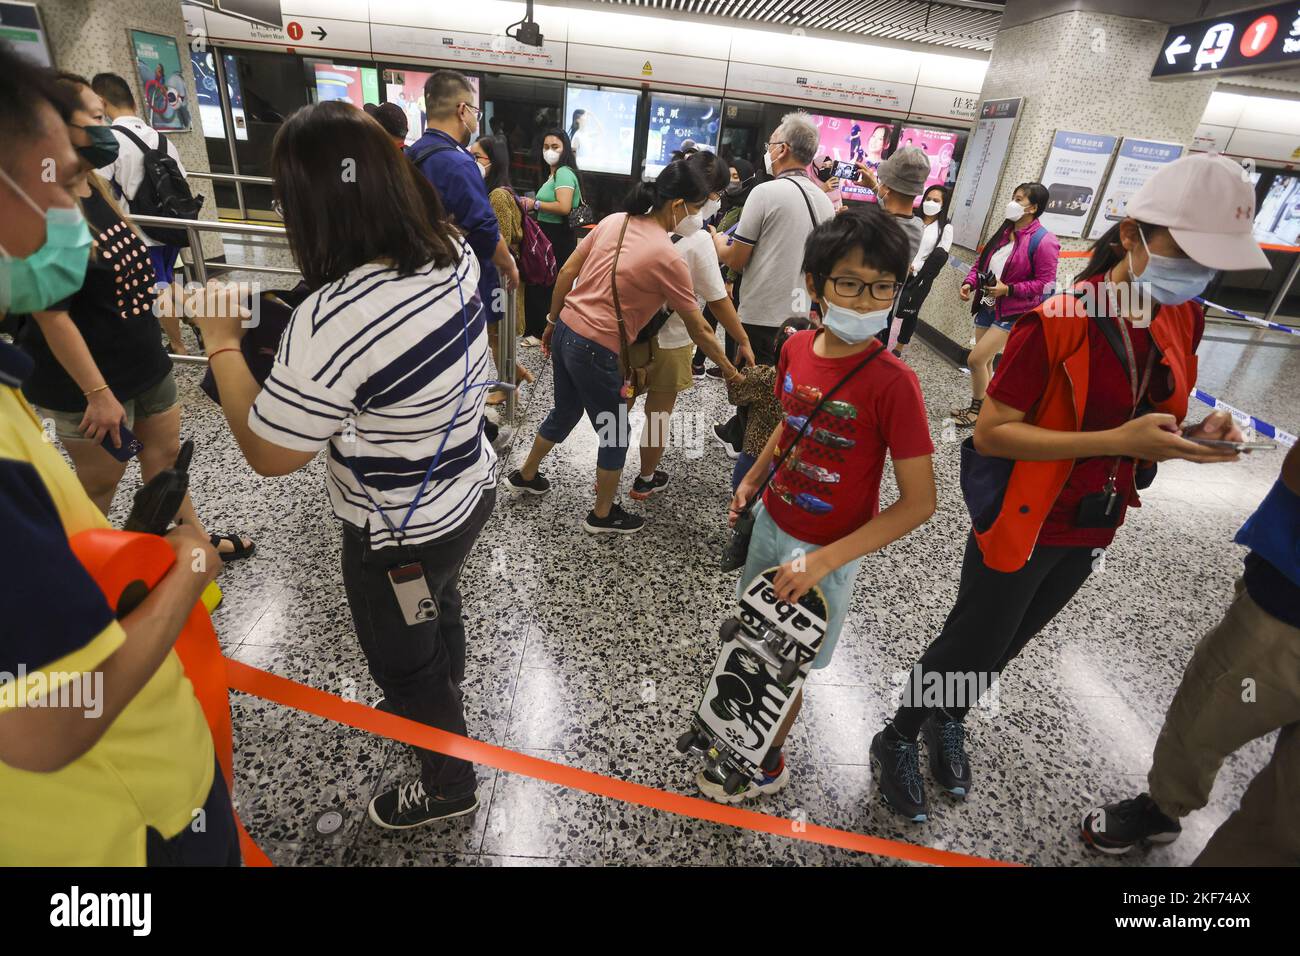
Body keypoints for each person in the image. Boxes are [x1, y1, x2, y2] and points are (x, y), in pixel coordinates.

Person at [869, 153, 1270, 824]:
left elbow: (1152, 416)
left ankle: (951, 714)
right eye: (1188, 251)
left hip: (1096, 518)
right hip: (1027, 514)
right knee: (973, 638)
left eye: (1213, 259)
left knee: (1010, 640)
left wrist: (1197, 434)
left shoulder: (1180, 317)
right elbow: (993, 433)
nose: (1199, 272)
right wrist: (1119, 442)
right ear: (1136, 232)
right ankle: (899, 734)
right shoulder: (1060, 319)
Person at [194, 101, 497, 829]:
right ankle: (442, 689)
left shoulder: (330, 316)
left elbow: (270, 452)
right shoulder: (451, 250)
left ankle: (449, 778)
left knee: (402, 661)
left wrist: (220, 343)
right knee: (436, 602)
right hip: (466, 491)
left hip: (394, 530)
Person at [0, 43, 233, 866]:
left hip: (140, 359)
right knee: (92, 497)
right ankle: (134, 570)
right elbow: (47, 719)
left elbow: (138, 269)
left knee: (166, 468)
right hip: (114, 839)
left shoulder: (101, 192)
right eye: (58, 171)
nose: (78, 179)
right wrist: (184, 589)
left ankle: (167, 548)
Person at [709, 207, 936, 802]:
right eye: (850, 285)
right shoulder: (797, 349)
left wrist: (825, 561)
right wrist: (755, 477)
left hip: (826, 550)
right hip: (772, 523)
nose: (866, 302)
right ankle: (740, 731)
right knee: (754, 639)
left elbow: (919, 503)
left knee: (790, 659)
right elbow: (791, 422)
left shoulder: (895, 383)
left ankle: (769, 757)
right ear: (815, 283)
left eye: (883, 287)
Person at [16, 74, 254, 562]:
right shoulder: (44, 203)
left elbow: (130, 276)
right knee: (100, 484)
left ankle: (194, 550)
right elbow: (50, 314)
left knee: (165, 461)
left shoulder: (94, 185)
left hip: (143, 356)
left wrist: (190, 306)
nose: (109, 129)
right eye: (97, 119)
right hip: (87, 378)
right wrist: (98, 395)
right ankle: (80, 573)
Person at [1081, 440, 1299, 864]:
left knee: (1281, 823)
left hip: (1283, 625)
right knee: (1210, 725)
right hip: (1284, 617)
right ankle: (1163, 809)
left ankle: (1164, 814)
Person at [504, 161, 743, 534]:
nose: (698, 215)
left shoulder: (616, 220)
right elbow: (699, 327)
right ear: (678, 205)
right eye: (696, 208)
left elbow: (568, 272)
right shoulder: (667, 257)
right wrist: (729, 370)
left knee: (566, 410)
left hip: (567, 326)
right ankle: (602, 515)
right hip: (597, 347)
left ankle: (526, 474)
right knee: (615, 431)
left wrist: (551, 323)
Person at [629, 151, 755, 500]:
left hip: (629, 335)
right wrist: (741, 339)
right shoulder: (699, 240)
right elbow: (718, 300)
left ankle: (605, 470)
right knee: (657, 417)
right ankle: (645, 478)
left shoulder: (639, 220)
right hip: (671, 343)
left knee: (619, 406)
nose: (714, 203)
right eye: (714, 196)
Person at [712, 113, 834, 458]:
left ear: (782, 149)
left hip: (759, 308)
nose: (768, 150)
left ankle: (746, 445)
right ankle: (744, 433)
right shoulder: (824, 201)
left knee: (749, 379)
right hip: (798, 314)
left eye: (771, 144)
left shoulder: (765, 192)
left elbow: (737, 259)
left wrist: (715, 241)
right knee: (778, 382)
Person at [407, 70, 520, 343]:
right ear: (462, 110)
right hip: (451, 284)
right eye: (475, 113)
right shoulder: (458, 163)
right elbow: (483, 229)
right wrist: (509, 265)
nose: (474, 120)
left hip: (416, 279)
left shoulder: (411, 154)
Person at [91, 71, 190, 355]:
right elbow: (180, 177)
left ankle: (179, 346)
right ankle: (202, 320)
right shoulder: (160, 138)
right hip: (170, 225)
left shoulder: (109, 140)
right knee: (169, 281)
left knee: (159, 287)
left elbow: (100, 185)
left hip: (141, 230)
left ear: (102, 102)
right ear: (133, 101)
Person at [951, 182, 1059, 427]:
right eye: (1014, 197)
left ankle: (978, 411)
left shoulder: (1044, 241)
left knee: (975, 360)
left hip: (1013, 310)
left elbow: (1045, 284)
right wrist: (970, 282)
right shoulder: (1003, 232)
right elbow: (983, 260)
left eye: (1019, 199)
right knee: (985, 361)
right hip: (989, 302)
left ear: (1033, 207)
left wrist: (1008, 289)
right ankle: (984, 409)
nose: (1013, 202)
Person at [470, 133, 534, 403]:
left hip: (500, 280)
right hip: (498, 278)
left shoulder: (497, 195)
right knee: (496, 336)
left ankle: (507, 387)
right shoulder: (496, 192)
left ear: (492, 161)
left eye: (476, 157)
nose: (471, 162)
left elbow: (501, 242)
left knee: (497, 336)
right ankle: (512, 377)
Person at [725, 316, 811, 490]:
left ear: (775, 347)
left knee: (742, 494)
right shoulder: (811, 391)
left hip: (754, 453)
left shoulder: (762, 376)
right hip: (791, 456)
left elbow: (735, 396)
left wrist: (733, 370)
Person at [694, 157, 756, 380]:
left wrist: (730, 278)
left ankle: (725, 365)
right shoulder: (731, 203)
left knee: (720, 315)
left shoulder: (748, 208)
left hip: (729, 271)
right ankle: (704, 363)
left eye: (736, 177)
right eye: (729, 177)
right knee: (713, 314)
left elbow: (741, 245)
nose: (731, 182)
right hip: (720, 266)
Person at [520, 129, 582, 344]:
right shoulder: (554, 173)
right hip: (550, 233)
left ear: (564, 149)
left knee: (545, 283)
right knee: (545, 282)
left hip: (556, 236)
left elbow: (564, 206)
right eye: (546, 147)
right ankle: (541, 330)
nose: (549, 151)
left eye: (555, 147)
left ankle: (540, 332)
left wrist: (533, 204)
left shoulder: (564, 173)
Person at [885, 184, 952, 356]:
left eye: (936, 200)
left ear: (943, 205)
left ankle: (899, 347)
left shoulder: (945, 228)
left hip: (919, 277)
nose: (930, 202)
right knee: (888, 307)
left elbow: (939, 257)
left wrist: (916, 268)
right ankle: (881, 340)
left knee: (911, 310)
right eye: (928, 199)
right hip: (899, 271)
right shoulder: (913, 219)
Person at [854, 146, 929, 262]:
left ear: (886, 187)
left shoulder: (874, 229)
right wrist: (874, 187)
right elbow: (893, 210)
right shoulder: (918, 226)